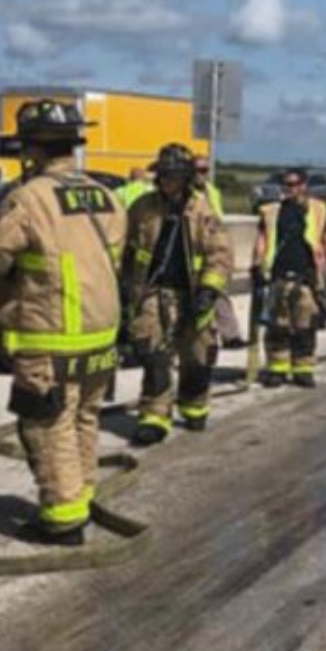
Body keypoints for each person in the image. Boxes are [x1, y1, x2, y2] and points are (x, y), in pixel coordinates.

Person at [0, 100, 125, 546]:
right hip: (100, 333)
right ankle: (81, 496)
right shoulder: (107, 196)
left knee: (46, 424)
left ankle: (62, 518)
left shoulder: (28, 199)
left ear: (31, 150)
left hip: (51, 334)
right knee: (84, 419)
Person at [123, 144, 233, 445]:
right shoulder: (142, 208)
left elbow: (220, 254)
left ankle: (194, 405)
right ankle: (155, 415)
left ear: (185, 178)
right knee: (153, 353)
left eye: (174, 176)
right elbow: (126, 247)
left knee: (197, 355)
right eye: (164, 175)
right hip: (153, 291)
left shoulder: (202, 210)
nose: (168, 181)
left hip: (194, 292)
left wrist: (209, 290)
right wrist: (125, 285)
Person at [252, 168, 326, 387]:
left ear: (304, 186)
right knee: (277, 326)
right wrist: (256, 267)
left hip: (307, 277)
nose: (291, 189)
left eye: (295, 184)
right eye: (287, 185)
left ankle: (303, 369)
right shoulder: (270, 211)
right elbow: (262, 239)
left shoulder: (319, 210)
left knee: (306, 325)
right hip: (278, 275)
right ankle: (277, 369)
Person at [191, 154, 242, 344]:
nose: (201, 174)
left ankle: (230, 335)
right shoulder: (186, 194)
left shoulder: (213, 192)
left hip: (214, 255)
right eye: (197, 170)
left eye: (205, 170)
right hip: (194, 258)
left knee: (219, 293)